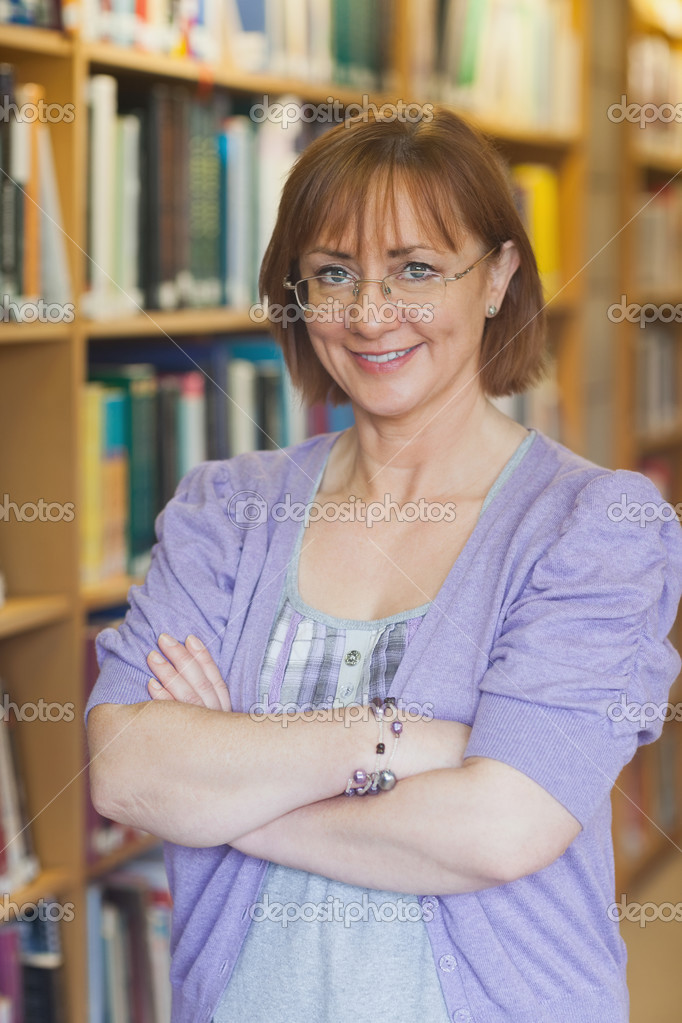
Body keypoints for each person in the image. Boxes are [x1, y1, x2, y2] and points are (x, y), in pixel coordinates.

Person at [86, 107, 682, 1023]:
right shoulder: (225, 510)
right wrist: (407, 739)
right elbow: (126, 770)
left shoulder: (594, 525)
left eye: (415, 269)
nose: (369, 314)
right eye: (332, 274)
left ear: (497, 277)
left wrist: (224, 793)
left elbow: (504, 825)